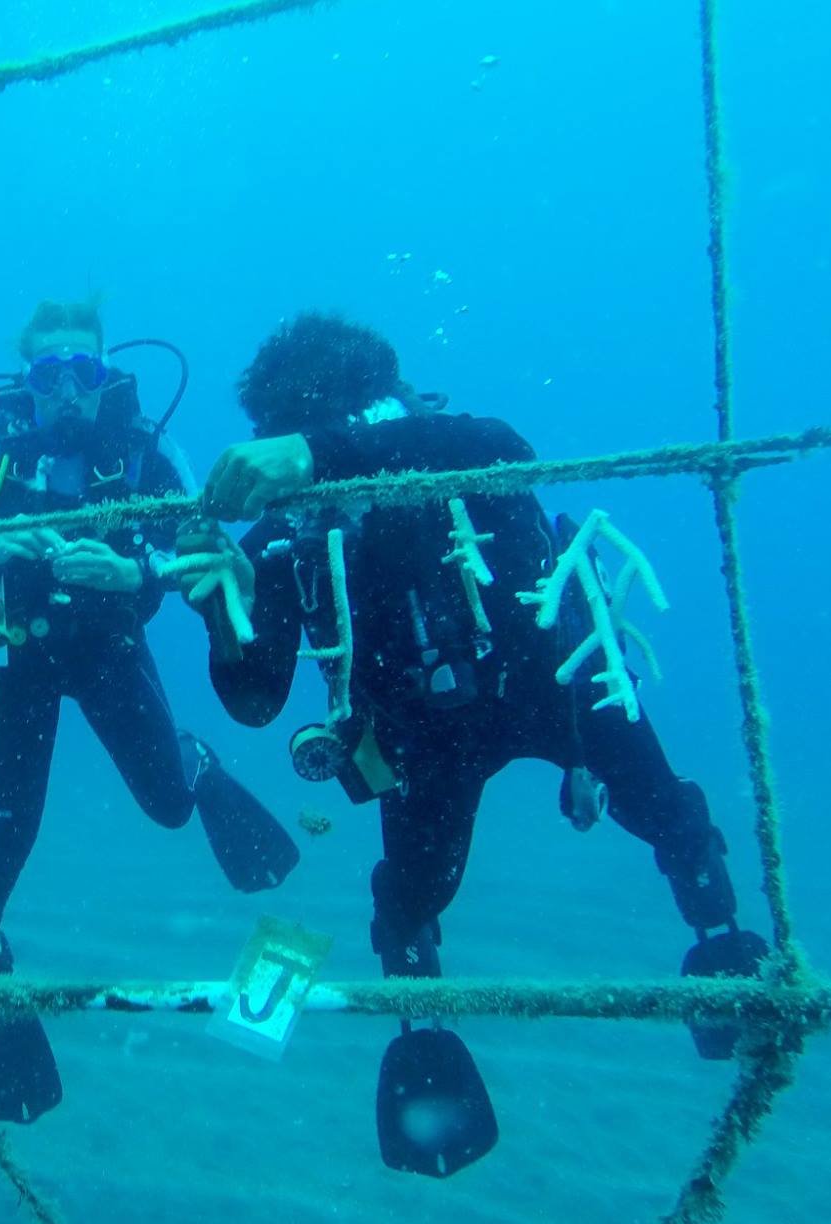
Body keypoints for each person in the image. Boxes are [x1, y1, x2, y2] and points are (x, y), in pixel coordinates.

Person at [181, 312, 768, 1178]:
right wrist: (222, 614)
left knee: (666, 811)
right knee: (414, 893)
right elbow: (257, 700)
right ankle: (423, 1029)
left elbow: (500, 443)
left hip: (555, 684)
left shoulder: (455, 448)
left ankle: (723, 941)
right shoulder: (290, 528)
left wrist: (312, 452)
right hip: (422, 734)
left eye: (357, 419)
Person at [0, 298, 298, 1125]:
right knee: (9, 830)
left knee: (169, 805)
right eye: (48, 372)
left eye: (82, 371)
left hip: (109, 647)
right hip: (13, 655)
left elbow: (199, 545)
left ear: (105, 376)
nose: (66, 391)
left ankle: (194, 761)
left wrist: (134, 573)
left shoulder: (146, 449)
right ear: (26, 381)